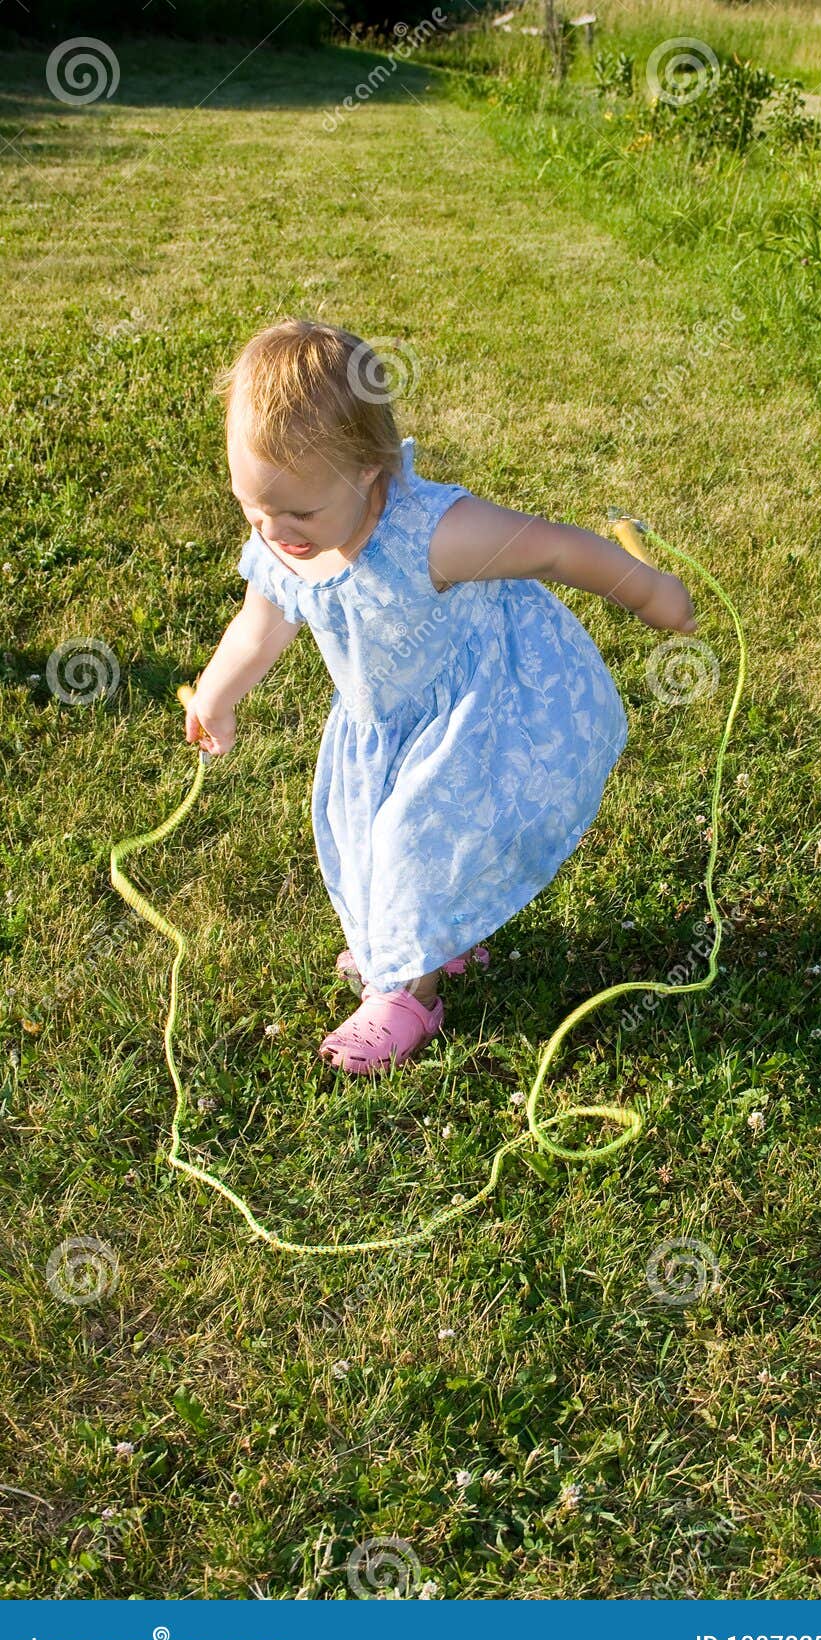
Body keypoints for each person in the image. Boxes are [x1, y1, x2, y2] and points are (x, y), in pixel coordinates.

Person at [184, 318, 698, 1076]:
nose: (274, 531)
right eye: (252, 507)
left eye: (297, 513)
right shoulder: (280, 544)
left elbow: (553, 547)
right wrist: (219, 698)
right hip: (384, 721)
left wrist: (652, 592)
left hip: (478, 712)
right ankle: (428, 940)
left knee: (413, 844)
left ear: (366, 471)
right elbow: (260, 625)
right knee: (368, 845)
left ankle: (410, 996)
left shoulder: (434, 534)